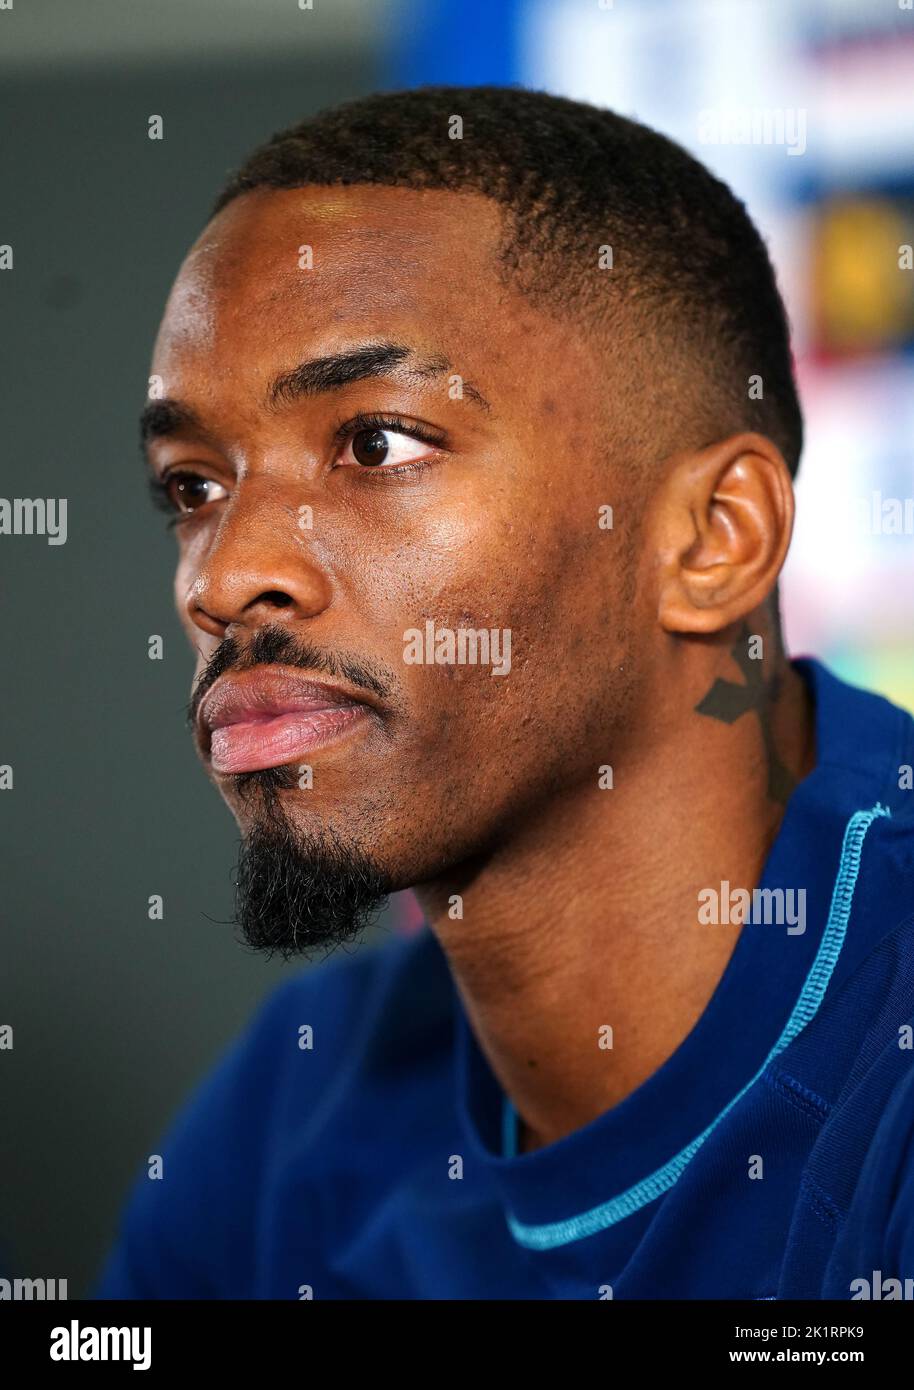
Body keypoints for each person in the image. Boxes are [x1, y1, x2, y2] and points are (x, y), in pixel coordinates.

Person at [94, 86, 914, 1300]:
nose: (224, 576)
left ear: (711, 539)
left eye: (375, 443)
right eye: (194, 485)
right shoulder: (298, 1109)